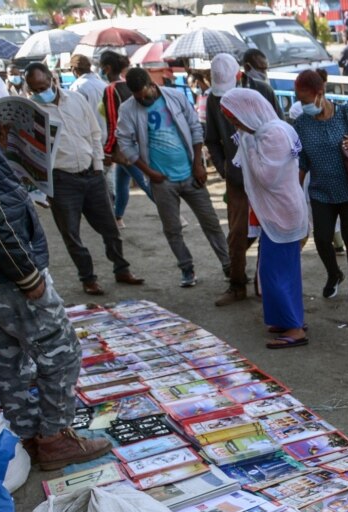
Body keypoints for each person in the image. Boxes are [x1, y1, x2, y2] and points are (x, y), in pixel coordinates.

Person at [0, 87, 112, 470]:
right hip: (2, 270)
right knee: (60, 349)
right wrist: (26, 272)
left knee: (7, 358)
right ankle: (54, 437)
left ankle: (29, 434)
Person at [21, 63, 143, 297]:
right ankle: (88, 279)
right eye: (35, 89)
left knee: (110, 227)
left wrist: (97, 165)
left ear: (53, 79)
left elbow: (94, 133)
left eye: (44, 86)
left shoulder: (76, 100)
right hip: (61, 180)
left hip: (91, 174)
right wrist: (40, 187)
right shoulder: (31, 111)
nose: (41, 91)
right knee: (72, 234)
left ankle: (122, 268)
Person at [118, 66, 231, 290]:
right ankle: (186, 269)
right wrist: (149, 173)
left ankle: (229, 265)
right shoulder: (128, 109)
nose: (143, 100)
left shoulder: (175, 96)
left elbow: (195, 128)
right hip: (162, 181)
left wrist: (198, 163)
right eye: (138, 97)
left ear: (152, 85)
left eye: (145, 94)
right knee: (172, 229)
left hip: (190, 173)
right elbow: (125, 144)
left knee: (211, 223)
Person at [220, 89, 310, 350]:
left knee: (274, 272)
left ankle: (294, 329)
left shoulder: (272, 134)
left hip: (282, 212)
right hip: (279, 212)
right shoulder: (266, 131)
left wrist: (248, 146)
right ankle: (287, 319)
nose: (237, 126)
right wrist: (248, 140)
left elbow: (265, 176)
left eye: (237, 120)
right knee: (281, 270)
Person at [205, 53, 282, 308]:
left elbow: (280, 128)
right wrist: (224, 168)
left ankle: (267, 283)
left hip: (267, 176)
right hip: (237, 179)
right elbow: (212, 140)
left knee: (272, 231)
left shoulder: (262, 91)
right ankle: (237, 285)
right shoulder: (213, 100)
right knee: (237, 234)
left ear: (240, 76)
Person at [293, 69, 348, 303]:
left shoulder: (346, 113)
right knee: (321, 238)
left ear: (320, 94)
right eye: (300, 100)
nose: (303, 104)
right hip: (320, 192)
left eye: (305, 100)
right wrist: (295, 194)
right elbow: (302, 162)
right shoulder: (301, 124)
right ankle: (334, 274)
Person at [98, 51, 152, 229]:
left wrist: (108, 149)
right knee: (121, 183)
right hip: (137, 139)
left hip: (123, 145)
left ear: (107, 68)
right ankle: (118, 217)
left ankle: (173, 213)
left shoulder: (111, 89)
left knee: (143, 181)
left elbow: (114, 123)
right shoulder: (128, 85)